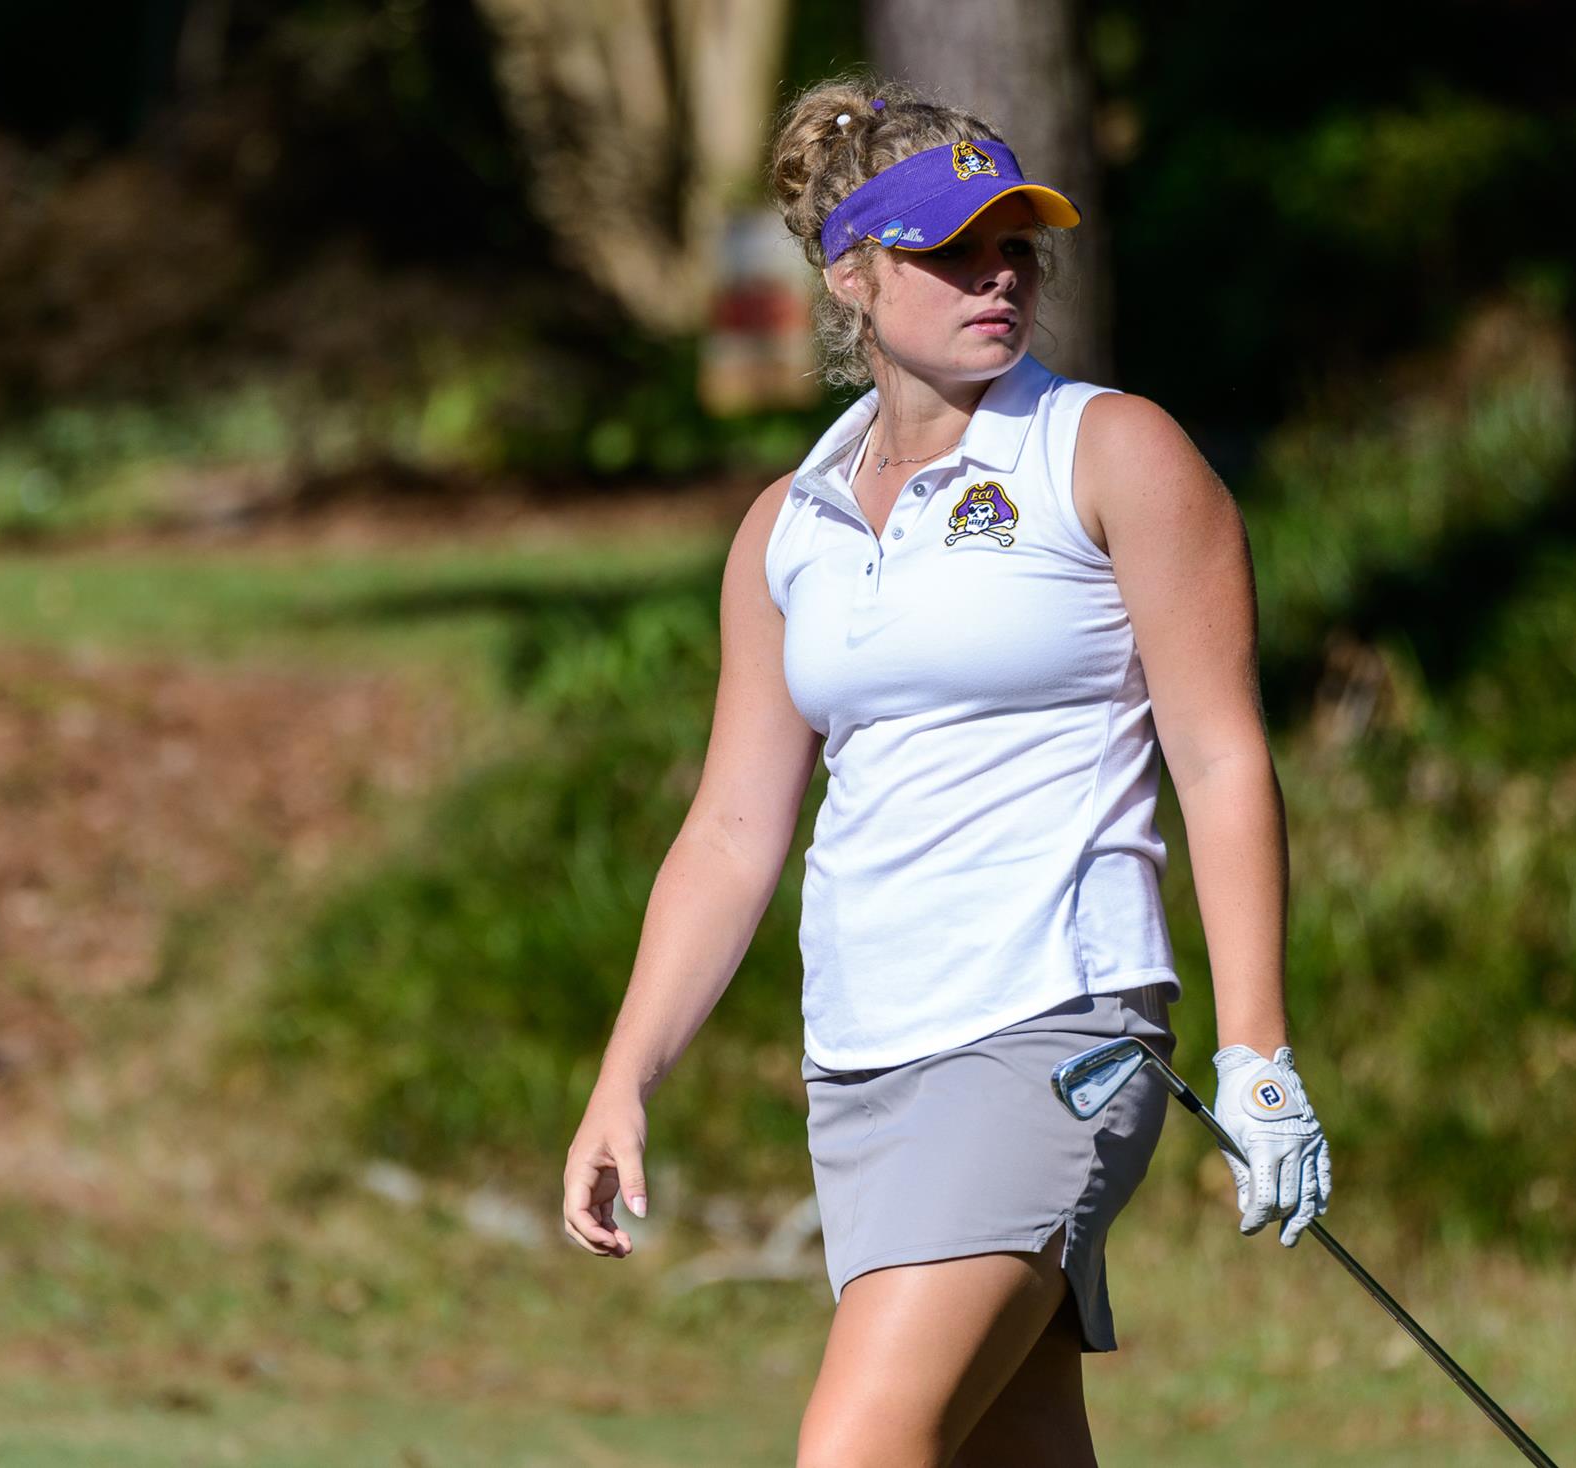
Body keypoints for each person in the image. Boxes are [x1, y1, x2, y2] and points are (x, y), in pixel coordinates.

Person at [561, 73, 1332, 1466]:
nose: (999, 277)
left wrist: (1259, 1053)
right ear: (853, 275)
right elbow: (735, 833)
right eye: (951, 249)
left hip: (1053, 1033)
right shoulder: (783, 526)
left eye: (1015, 245)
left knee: (855, 1453)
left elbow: (1219, 759)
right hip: (861, 1061)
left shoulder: (1109, 452)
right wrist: (629, 1072)